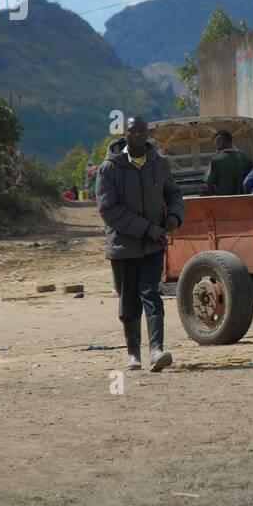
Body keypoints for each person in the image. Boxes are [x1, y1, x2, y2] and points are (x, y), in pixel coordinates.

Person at [96, 115, 184, 372]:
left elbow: (174, 193)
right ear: (125, 134)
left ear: (147, 134)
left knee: (152, 295)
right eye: (132, 131)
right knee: (128, 301)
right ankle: (133, 353)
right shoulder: (109, 168)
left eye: (142, 131)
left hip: (153, 245)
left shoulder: (160, 164)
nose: (137, 135)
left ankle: (156, 351)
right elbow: (108, 209)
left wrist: (175, 216)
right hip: (123, 246)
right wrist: (146, 228)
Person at [206, 130, 253, 196]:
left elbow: (209, 185)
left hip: (224, 201)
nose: (216, 148)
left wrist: (215, 195)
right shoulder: (246, 157)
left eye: (216, 144)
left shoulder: (216, 160)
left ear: (221, 142)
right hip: (245, 200)